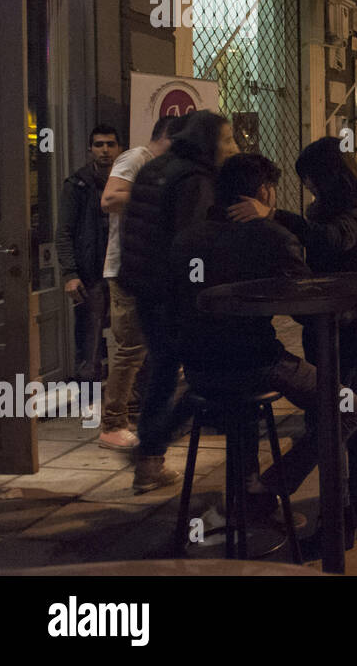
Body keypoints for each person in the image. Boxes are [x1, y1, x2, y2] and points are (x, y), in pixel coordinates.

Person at [171, 154, 357, 533]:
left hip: (199, 370)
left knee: (243, 408)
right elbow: (307, 310)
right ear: (264, 191)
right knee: (351, 409)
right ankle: (269, 488)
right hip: (256, 363)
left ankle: (246, 501)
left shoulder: (187, 238)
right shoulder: (272, 237)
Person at [233, 136, 357, 534]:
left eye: (311, 178)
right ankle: (351, 507)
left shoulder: (354, 210)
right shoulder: (324, 207)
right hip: (324, 323)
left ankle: (346, 512)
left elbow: (331, 240)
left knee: (344, 416)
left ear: (328, 175)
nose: (309, 187)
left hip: (348, 327)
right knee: (344, 416)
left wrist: (274, 215)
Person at [120, 110, 239, 491]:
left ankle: (149, 462)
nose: (233, 147)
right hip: (174, 296)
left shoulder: (156, 168)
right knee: (214, 373)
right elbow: (193, 245)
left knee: (163, 372)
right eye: (227, 139)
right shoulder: (194, 179)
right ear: (208, 142)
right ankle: (155, 443)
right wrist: (203, 296)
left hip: (146, 289)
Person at [97, 116, 185, 450]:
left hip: (149, 271)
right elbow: (109, 200)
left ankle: (136, 416)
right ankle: (112, 423)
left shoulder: (158, 165)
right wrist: (156, 194)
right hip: (126, 269)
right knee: (130, 350)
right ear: (168, 138)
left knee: (150, 351)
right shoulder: (135, 158)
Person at [57, 124, 121, 381]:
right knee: (89, 340)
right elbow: (64, 232)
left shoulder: (125, 182)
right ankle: (89, 402)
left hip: (120, 271)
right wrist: (70, 273)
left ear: (119, 148)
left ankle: (122, 399)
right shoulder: (78, 184)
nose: (104, 150)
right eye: (99, 145)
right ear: (90, 149)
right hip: (91, 273)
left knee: (126, 338)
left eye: (110, 144)